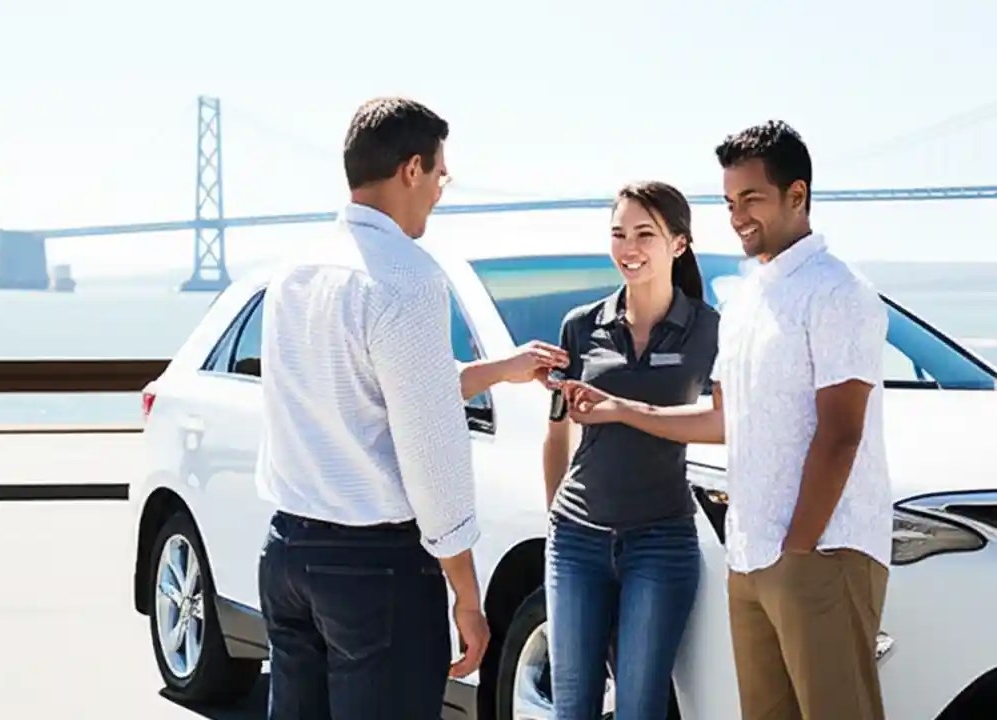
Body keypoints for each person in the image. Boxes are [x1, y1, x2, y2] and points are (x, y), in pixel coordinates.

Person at [560, 121, 892, 720]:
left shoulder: (838, 291)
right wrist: (620, 409)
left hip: (821, 552)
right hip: (751, 556)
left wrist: (797, 548)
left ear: (797, 195)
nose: (738, 216)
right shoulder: (745, 303)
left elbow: (841, 433)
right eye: (730, 201)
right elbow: (724, 420)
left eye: (752, 198)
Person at [254, 96, 566, 719]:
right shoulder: (407, 277)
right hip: (374, 571)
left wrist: (499, 370)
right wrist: (467, 594)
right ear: (412, 169)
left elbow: (369, 392)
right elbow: (431, 451)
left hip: (286, 554)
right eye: (440, 175)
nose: (440, 192)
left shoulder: (294, 270)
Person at [542, 181, 719, 719]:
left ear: (679, 244)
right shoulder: (580, 326)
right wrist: (555, 519)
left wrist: (621, 408)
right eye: (618, 234)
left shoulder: (710, 330)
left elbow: (723, 425)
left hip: (660, 541)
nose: (628, 248)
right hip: (576, 541)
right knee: (572, 707)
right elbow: (556, 432)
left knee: (640, 707)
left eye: (645, 234)